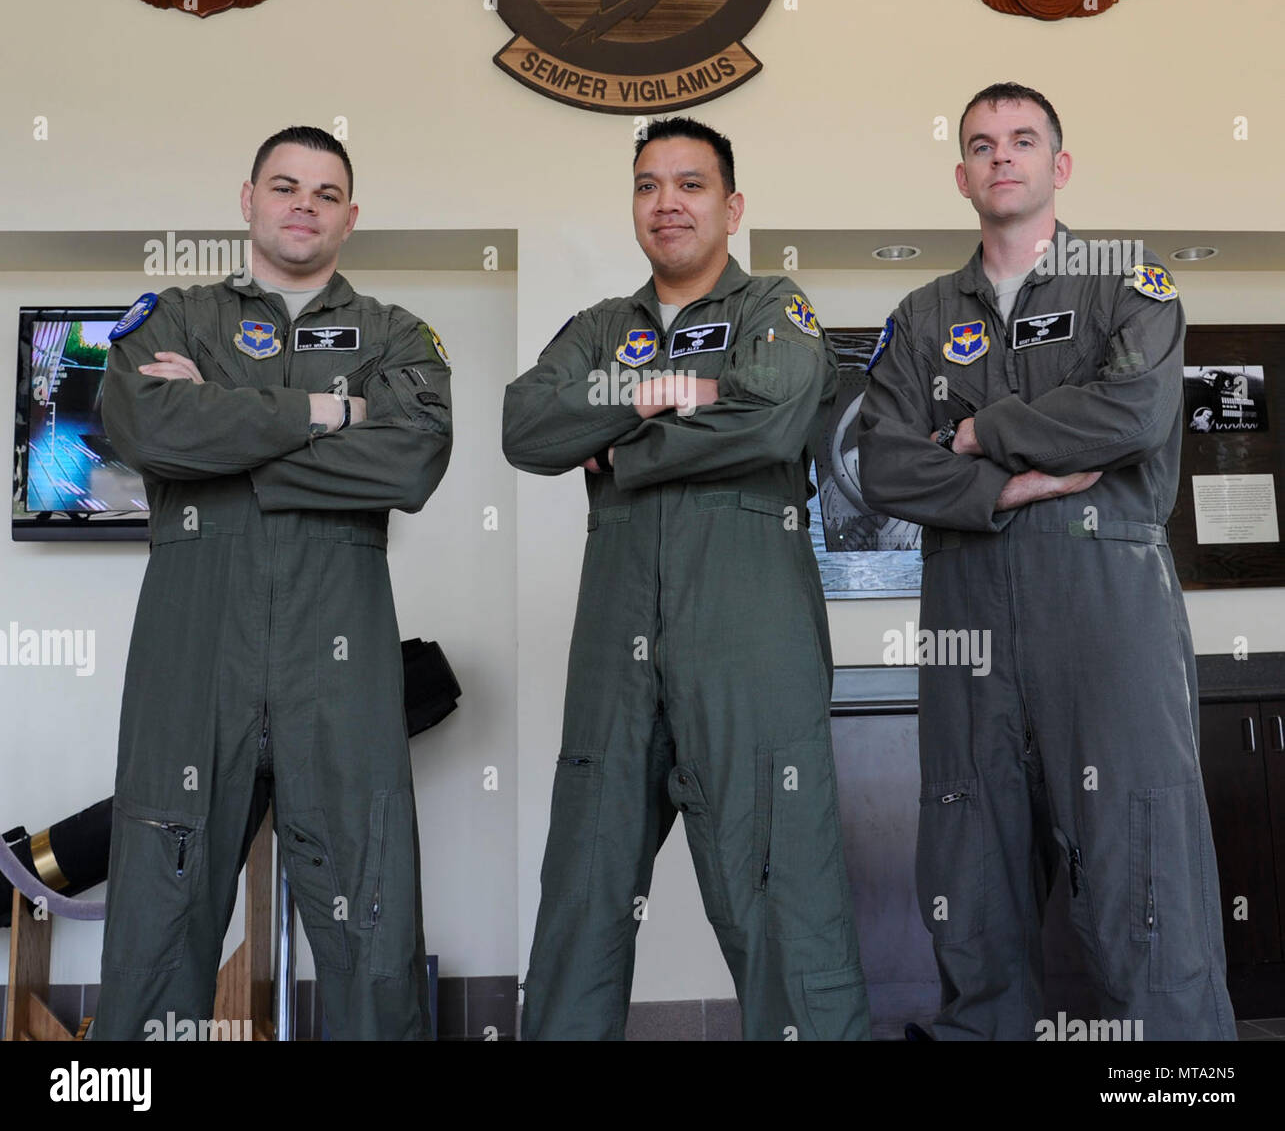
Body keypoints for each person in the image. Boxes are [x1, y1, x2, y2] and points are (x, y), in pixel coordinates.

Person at [856, 83, 1235, 1040]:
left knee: (1141, 866)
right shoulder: (921, 312)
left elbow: (1135, 413)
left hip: (1107, 610)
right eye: (981, 143)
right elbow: (880, 463)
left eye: (1023, 139)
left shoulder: (1127, 282)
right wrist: (1002, 488)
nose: (1002, 156)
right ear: (961, 176)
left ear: (1058, 166)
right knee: (969, 870)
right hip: (967, 617)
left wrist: (978, 430)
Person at [504, 117, 869, 1041]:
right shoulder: (600, 327)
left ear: (732, 205)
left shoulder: (774, 310)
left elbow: (773, 415)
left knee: (782, 899)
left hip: (749, 646)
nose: (667, 203)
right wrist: (673, 388)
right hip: (613, 659)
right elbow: (528, 426)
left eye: (690, 184)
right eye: (647, 185)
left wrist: (621, 449)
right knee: (582, 897)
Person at [88, 126, 452, 1040]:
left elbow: (406, 465)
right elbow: (145, 426)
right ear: (247, 201)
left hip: (338, 654)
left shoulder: (396, 335)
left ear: (351, 218)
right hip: (193, 647)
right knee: (158, 906)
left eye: (326, 194)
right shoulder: (175, 318)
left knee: (368, 908)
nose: (304, 205)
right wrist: (328, 412)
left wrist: (221, 430)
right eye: (284, 186)